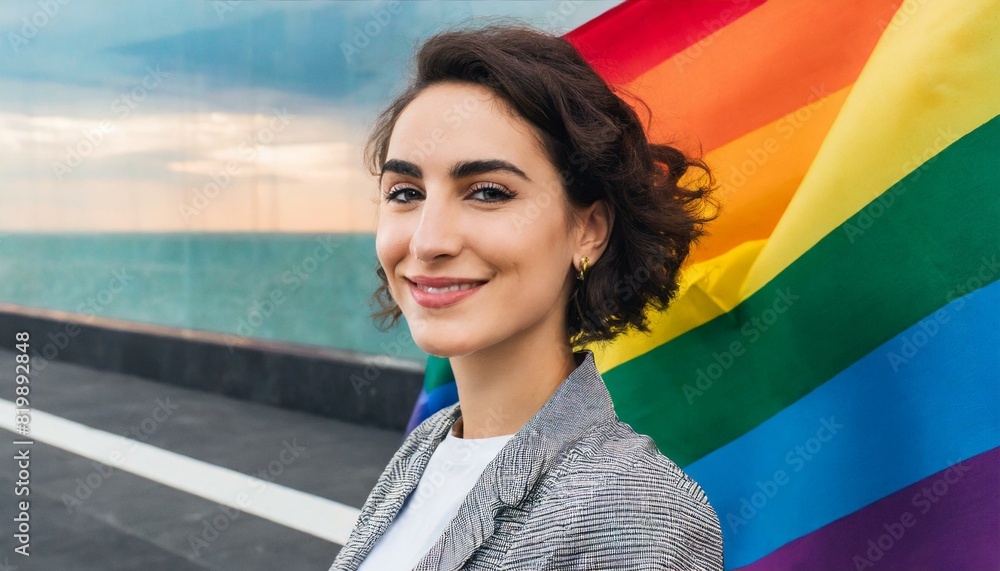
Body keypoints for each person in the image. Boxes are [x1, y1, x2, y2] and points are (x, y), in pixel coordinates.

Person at [329, 20, 723, 571]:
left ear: (588, 229)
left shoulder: (634, 510)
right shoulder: (426, 452)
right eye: (406, 192)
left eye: (488, 192)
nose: (427, 240)